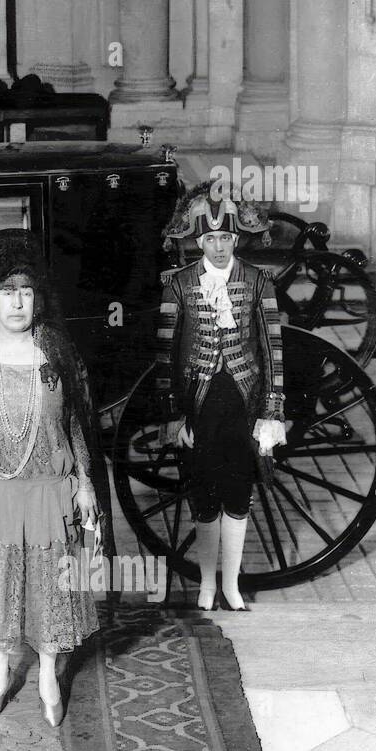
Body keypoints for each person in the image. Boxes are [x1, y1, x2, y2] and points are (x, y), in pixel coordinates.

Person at [0, 229, 101, 726]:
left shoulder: (57, 351)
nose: (17, 302)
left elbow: (78, 422)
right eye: (8, 291)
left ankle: (50, 674)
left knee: (49, 585)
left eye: (26, 292)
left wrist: (85, 483)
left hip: (48, 490)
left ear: (38, 299)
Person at [156, 183, 286, 611]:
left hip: (243, 405)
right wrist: (174, 415)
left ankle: (230, 584)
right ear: (197, 240)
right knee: (202, 494)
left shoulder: (257, 281)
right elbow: (165, 357)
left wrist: (271, 410)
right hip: (199, 406)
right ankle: (207, 585)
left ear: (236, 239)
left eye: (225, 238)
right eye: (209, 238)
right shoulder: (178, 284)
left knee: (237, 490)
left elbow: (271, 349)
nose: (217, 247)